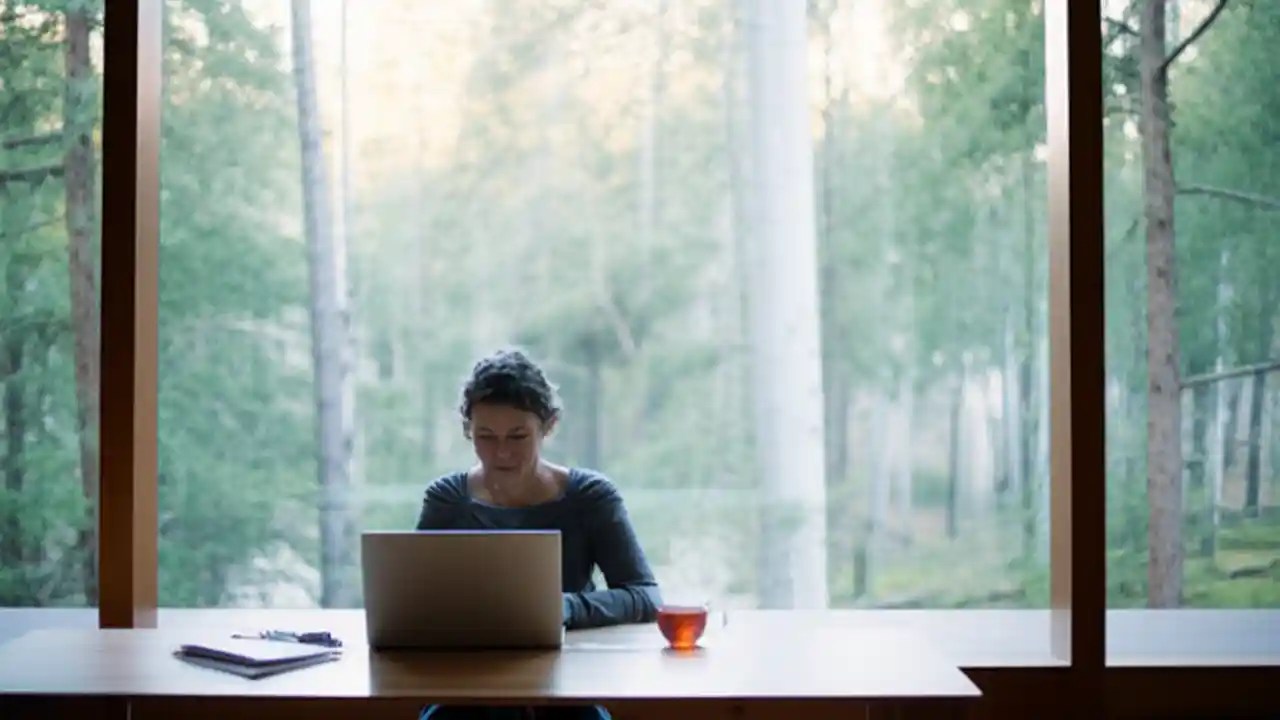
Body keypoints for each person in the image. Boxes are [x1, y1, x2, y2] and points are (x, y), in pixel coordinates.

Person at [416, 349, 662, 720]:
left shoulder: (589, 496)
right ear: (467, 429)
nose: (501, 453)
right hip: (466, 685)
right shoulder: (447, 499)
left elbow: (645, 596)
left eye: (518, 436)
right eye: (485, 436)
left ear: (549, 425)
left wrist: (562, 607)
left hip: (566, 684)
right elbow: (412, 601)